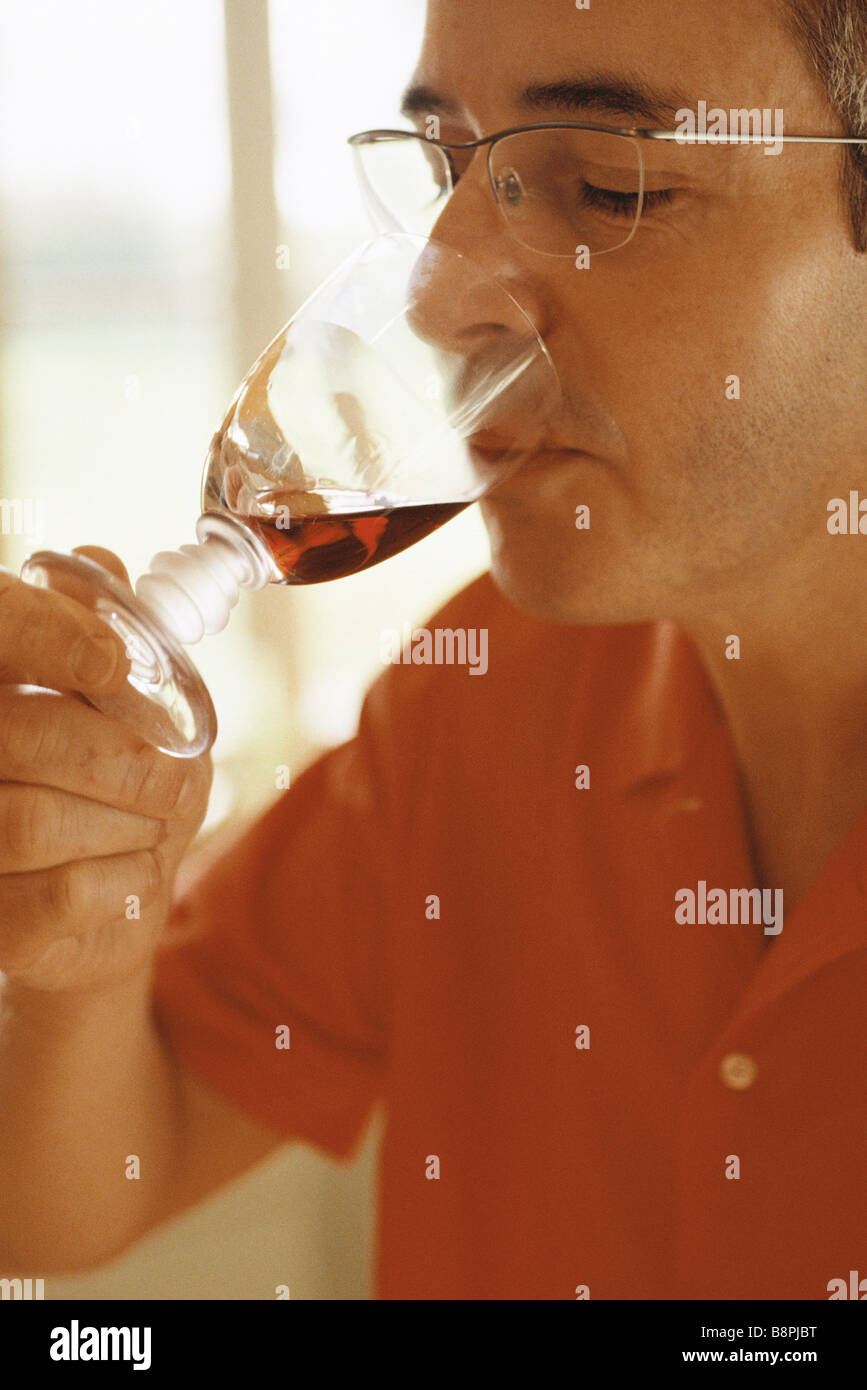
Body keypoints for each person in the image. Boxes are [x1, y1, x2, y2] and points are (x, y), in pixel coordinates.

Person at [1, 0, 866, 1301]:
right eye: (453, 169)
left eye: (605, 183)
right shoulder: (482, 696)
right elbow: (78, 1194)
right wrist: (88, 959)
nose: (439, 300)